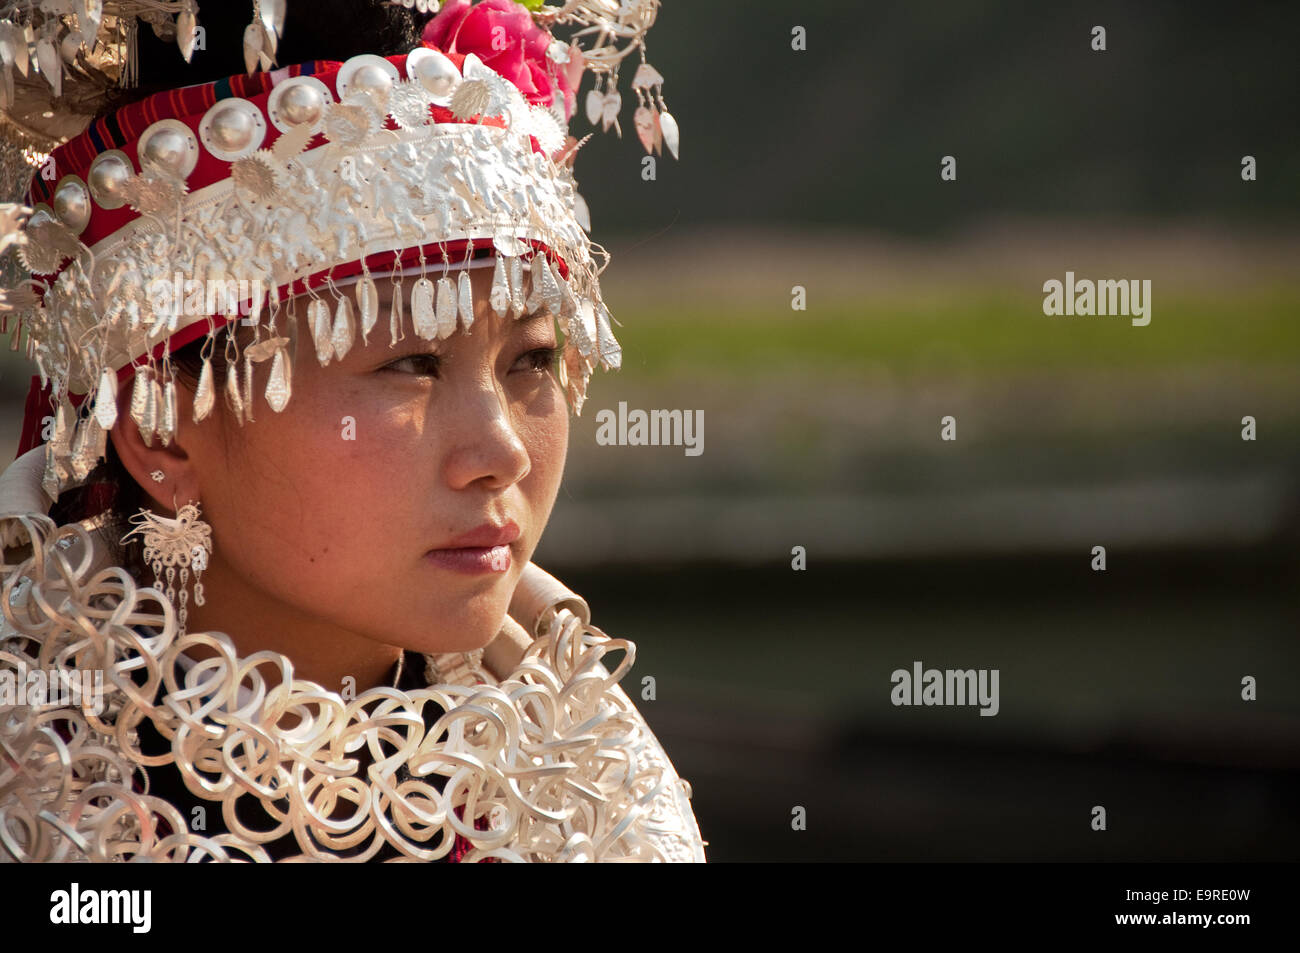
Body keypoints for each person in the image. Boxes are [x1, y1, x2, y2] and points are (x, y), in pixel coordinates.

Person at [0, 0, 702, 862]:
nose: (504, 452)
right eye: (409, 364)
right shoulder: (37, 800)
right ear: (163, 436)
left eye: (531, 361)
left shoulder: (597, 802)